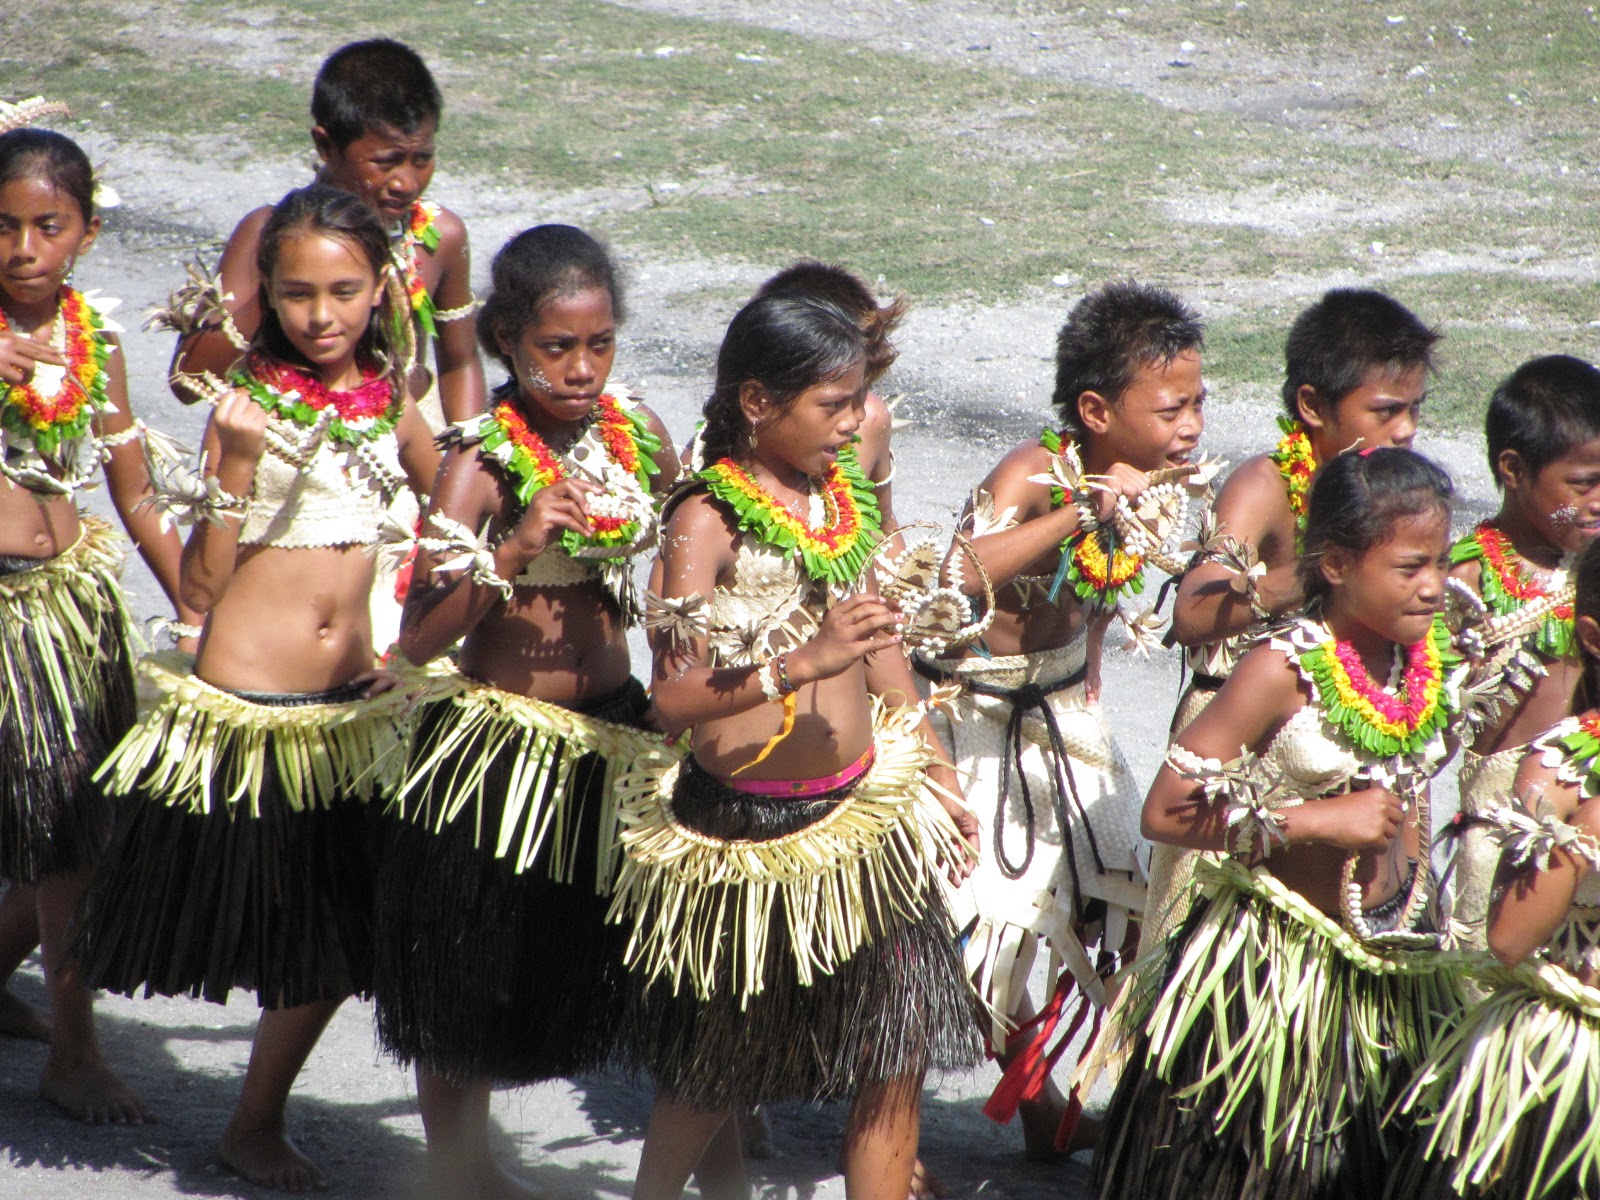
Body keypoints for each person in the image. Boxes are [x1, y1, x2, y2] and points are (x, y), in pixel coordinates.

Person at [75, 184, 439, 1191]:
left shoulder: (390, 396)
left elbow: (448, 507)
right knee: (121, 887)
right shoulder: (244, 404)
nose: (320, 316)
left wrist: (413, 635)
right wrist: (233, 460)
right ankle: (67, 1036)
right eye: (295, 295)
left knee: (330, 931)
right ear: (265, 296)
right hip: (243, 713)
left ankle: (252, 1123)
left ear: (383, 287)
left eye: (342, 291)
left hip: (345, 713)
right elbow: (200, 585)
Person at [617, 293, 981, 1200]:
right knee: (720, 1060)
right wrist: (802, 661)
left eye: (858, 400)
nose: (854, 421)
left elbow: (880, 641)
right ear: (756, 402)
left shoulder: (837, 499)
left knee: (894, 1046)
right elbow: (670, 702)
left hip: (862, 816)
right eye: (833, 403)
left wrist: (934, 764)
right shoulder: (704, 521)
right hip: (749, 830)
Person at [375, 224, 676, 1199]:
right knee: (468, 962)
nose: (581, 369)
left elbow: (687, 554)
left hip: (612, 730)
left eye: (599, 345)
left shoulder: (640, 436)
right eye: (556, 348)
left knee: (575, 951)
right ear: (508, 339)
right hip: (501, 743)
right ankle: (454, 1169)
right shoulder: (480, 465)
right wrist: (516, 545)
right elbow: (417, 633)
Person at [1091, 447, 1469, 1199]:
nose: (1434, 587)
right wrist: (1318, 819)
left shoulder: (1423, 656)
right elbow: (1167, 810)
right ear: (1334, 562)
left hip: (1396, 968)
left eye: (1442, 562)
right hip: (1272, 982)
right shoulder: (1282, 666)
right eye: (1409, 567)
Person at [915, 281, 1206, 1158]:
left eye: (1199, 402)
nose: (1192, 424)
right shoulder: (1032, 474)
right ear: (1095, 410)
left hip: (1063, 714)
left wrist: (1090, 707)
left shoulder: (1150, 484)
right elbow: (957, 576)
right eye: (1170, 407)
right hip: (974, 716)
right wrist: (1084, 507)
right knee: (969, 931)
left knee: (1090, 915)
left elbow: (1097, 611)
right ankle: (897, 1129)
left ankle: (1043, 1108)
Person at [0, 123, 199, 1123]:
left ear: (84, 233)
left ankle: (74, 1052)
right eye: (3, 226)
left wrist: (194, 598)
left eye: (48, 225)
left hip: (67, 612)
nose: (24, 248)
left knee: (73, 831)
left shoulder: (95, 340)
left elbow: (132, 486)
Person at [1149, 288, 1441, 952]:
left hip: (1344, 735)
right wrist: (1330, 569)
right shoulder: (1267, 486)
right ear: (1312, 406)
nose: (1405, 431)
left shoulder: (1396, 494)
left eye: (1415, 411)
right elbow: (1194, 611)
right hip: (1243, 744)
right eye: (1386, 411)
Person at [1385, 537, 1600, 1200]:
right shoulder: (1563, 767)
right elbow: (1507, 939)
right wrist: (1584, 836)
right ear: (1594, 637)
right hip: (1570, 1068)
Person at [168, 37, 483, 428]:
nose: (406, 182)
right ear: (325, 145)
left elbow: (460, 363)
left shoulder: (439, 238)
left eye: (422, 159)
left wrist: (468, 457)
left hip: (406, 448)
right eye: (386, 162)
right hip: (289, 451)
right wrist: (282, 279)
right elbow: (188, 382)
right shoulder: (267, 233)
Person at [1444, 355, 1600, 949]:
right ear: (1513, 469)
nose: (1597, 500)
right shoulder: (1465, 578)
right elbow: (1426, 719)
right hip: (1501, 844)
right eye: (1582, 484)